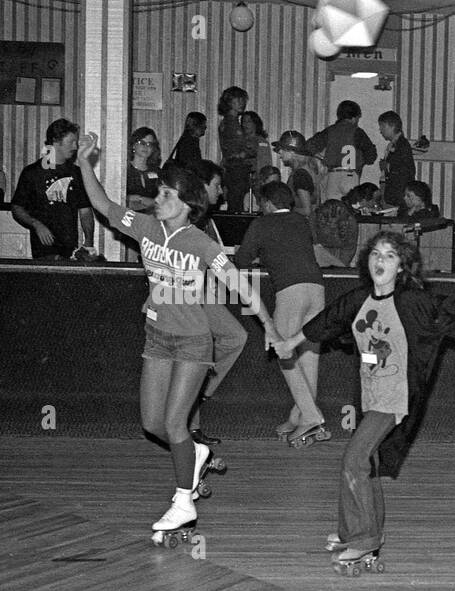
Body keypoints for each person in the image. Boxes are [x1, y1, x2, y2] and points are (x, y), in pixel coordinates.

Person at [74, 134, 278, 543]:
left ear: (186, 204)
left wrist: (270, 327)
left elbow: (239, 284)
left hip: (193, 342)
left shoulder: (200, 242)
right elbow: (103, 205)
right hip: (157, 338)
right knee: (153, 424)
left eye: (167, 193)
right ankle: (197, 455)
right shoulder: (146, 227)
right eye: (160, 190)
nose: (159, 196)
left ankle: (183, 501)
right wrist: (83, 163)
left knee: (174, 422)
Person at [274, 232, 455, 572]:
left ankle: (363, 540)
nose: (379, 260)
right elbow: (327, 322)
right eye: (374, 253)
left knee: (354, 458)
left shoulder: (412, 300)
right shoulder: (359, 299)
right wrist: (290, 343)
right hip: (370, 394)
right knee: (366, 462)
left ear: (401, 265)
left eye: (388, 255)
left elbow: (446, 306)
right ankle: (359, 533)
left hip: (397, 395)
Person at [234, 180, 329, 447]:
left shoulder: (261, 224)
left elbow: (241, 261)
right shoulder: (302, 222)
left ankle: (311, 416)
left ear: (266, 203)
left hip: (290, 291)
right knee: (308, 356)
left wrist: (257, 257)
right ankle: (298, 416)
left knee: (283, 351)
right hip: (317, 288)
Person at [189, 159, 250, 447]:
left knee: (234, 337)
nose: (222, 192)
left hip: (204, 295)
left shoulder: (206, 221)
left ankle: (198, 394)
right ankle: (191, 419)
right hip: (188, 297)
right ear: (202, 187)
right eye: (216, 186)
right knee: (208, 348)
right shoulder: (188, 219)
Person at [11, 118, 94, 260]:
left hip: (70, 249)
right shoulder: (32, 172)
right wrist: (36, 224)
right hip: (43, 250)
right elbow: (17, 208)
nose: (75, 146)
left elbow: (85, 211)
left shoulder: (77, 173)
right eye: (71, 142)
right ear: (56, 142)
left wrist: (89, 242)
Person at [307, 100, 378, 203]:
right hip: (350, 176)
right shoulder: (357, 132)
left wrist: (323, 158)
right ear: (353, 118)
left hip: (332, 176)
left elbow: (309, 146)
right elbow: (371, 156)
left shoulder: (330, 131)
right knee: (351, 208)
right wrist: (361, 160)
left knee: (332, 209)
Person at [217, 86, 257, 212]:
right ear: (228, 102)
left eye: (242, 100)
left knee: (235, 204)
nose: (241, 103)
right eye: (237, 100)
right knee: (237, 206)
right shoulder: (232, 124)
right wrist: (249, 150)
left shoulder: (228, 122)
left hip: (232, 170)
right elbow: (242, 151)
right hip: (237, 170)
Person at [273, 131, 323, 216]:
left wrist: (286, 210)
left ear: (292, 152)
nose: (280, 152)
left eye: (283, 149)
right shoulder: (306, 170)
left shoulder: (300, 175)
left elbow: (307, 211)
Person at [378, 110, 414, 211]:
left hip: (398, 195)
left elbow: (406, 171)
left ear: (392, 126)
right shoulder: (392, 145)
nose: (380, 130)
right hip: (392, 194)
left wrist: (387, 166)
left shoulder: (402, 145)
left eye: (383, 126)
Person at [126, 127, 162, 213]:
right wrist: (140, 199)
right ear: (134, 145)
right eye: (142, 143)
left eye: (150, 144)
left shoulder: (157, 172)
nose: (146, 146)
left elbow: (162, 198)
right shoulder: (124, 170)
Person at [241, 111, 274, 179]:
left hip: (256, 179)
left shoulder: (261, 142)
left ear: (255, 123)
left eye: (249, 121)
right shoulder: (239, 141)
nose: (245, 124)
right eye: (244, 121)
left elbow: (264, 163)